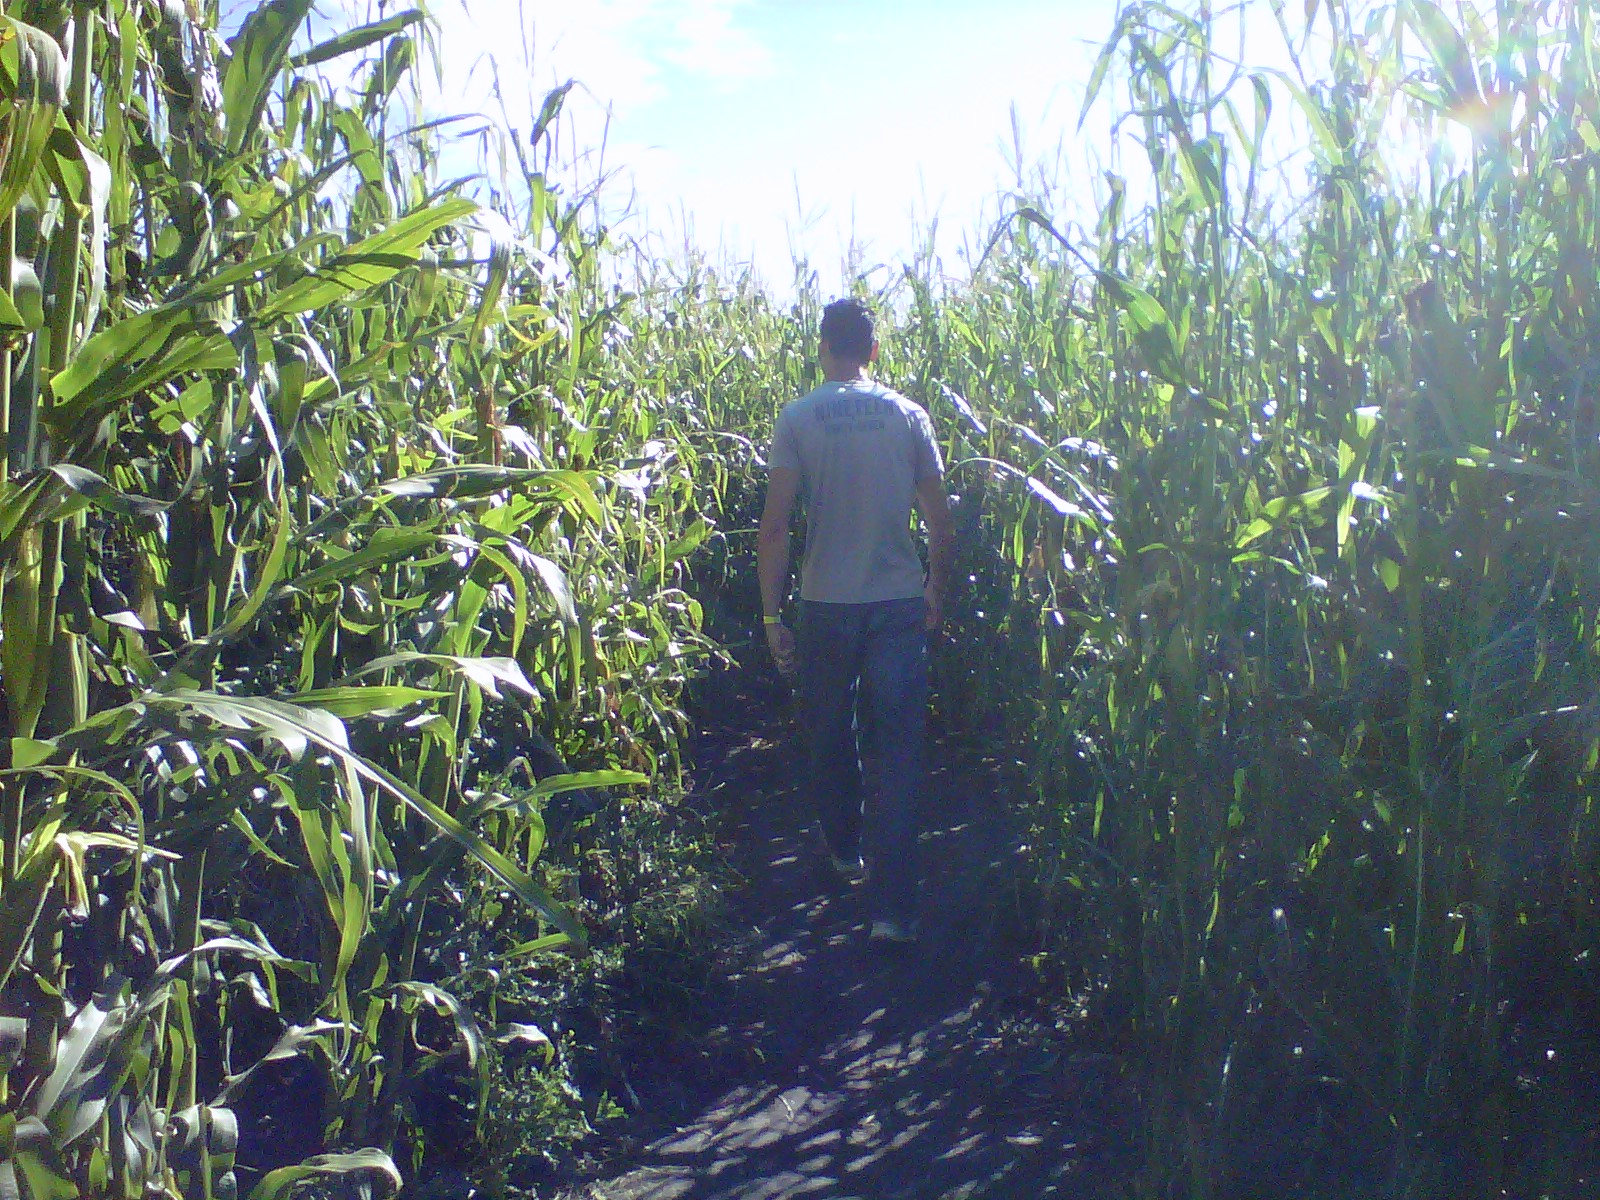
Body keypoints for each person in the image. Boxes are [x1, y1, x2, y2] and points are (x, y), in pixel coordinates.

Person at [756, 298, 953, 946]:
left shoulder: (800, 417)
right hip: (897, 601)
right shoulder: (908, 415)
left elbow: (776, 525)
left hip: (826, 604)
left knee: (831, 731)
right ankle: (893, 910)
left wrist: (770, 613)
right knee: (897, 749)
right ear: (872, 351)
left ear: (822, 348)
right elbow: (940, 519)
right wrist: (936, 587)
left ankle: (844, 850)